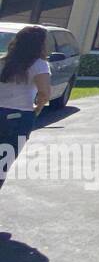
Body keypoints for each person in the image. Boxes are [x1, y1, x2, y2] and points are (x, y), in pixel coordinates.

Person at [0, 26, 52, 196]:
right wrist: (37, 110)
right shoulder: (39, 64)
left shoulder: (3, 62)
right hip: (18, 116)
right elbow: (44, 93)